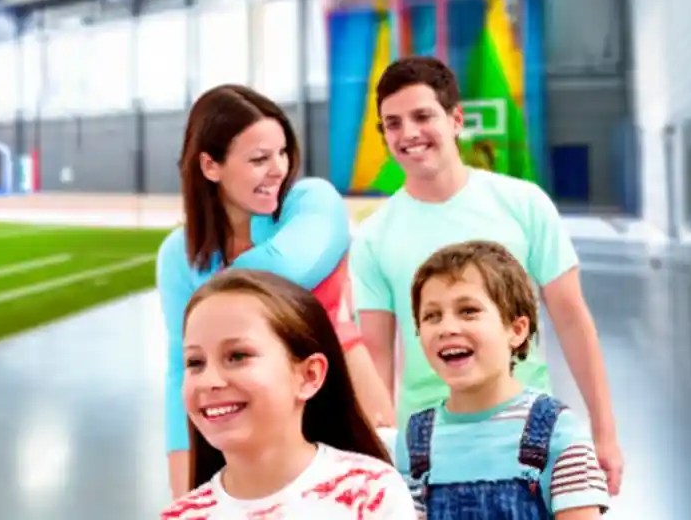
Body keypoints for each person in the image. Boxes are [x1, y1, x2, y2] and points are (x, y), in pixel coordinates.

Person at [351, 56, 622, 494]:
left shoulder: (523, 204)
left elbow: (572, 319)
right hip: (429, 453)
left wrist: (604, 430)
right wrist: (377, 458)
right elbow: (376, 358)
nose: (409, 134)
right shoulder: (373, 237)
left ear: (455, 119)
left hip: (526, 438)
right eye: (393, 124)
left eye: (422, 116)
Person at [156, 83, 395, 498]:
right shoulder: (179, 253)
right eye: (259, 159)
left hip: (341, 398)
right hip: (248, 422)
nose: (279, 169)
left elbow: (285, 269)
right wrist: (185, 485)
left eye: (282, 153)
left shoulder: (312, 202)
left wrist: (211, 308)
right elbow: (182, 364)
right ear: (211, 166)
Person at [161, 269, 417, 519]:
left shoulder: (371, 492)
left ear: (309, 376)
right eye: (195, 362)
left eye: (238, 356)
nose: (210, 381)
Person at [395, 241, 610, 519]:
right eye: (432, 316)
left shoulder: (559, 434)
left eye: (468, 310)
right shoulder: (412, 443)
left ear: (517, 330)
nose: (447, 328)